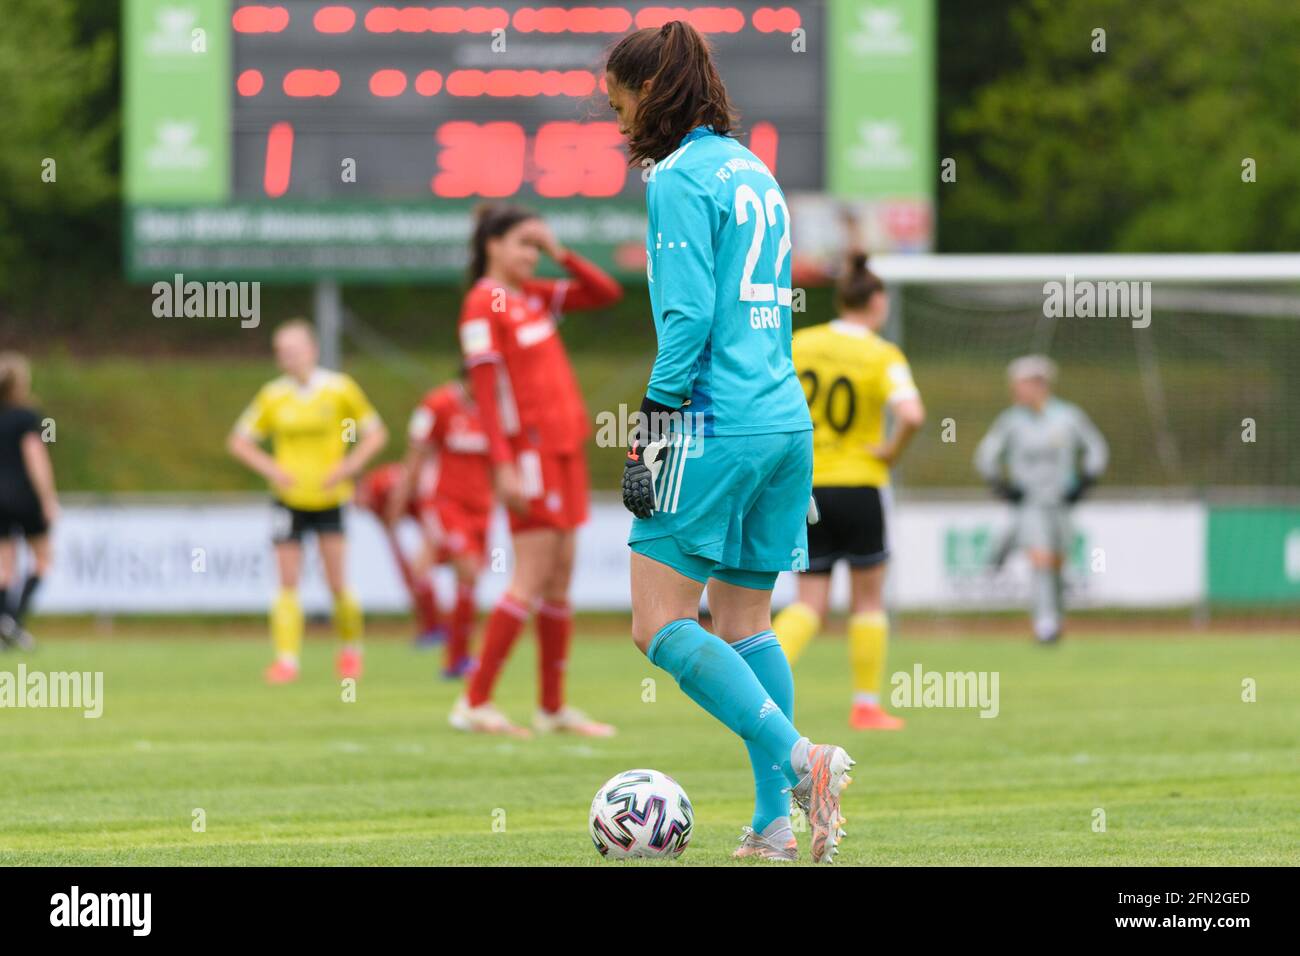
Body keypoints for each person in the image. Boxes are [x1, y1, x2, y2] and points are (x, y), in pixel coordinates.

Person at [607, 20, 854, 864]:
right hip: (783, 418)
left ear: (651, 94)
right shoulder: (754, 171)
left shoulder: (676, 176)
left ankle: (802, 760)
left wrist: (650, 428)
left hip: (709, 418)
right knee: (747, 621)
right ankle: (773, 826)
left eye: (620, 103)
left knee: (657, 624)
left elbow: (687, 317)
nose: (619, 123)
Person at [449, 203, 622, 737]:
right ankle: (474, 701)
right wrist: (503, 464)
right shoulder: (484, 304)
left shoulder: (533, 297)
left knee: (560, 577)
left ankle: (551, 708)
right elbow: (484, 393)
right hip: (530, 455)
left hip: (564, 450)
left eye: (534, 245)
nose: (531, 254)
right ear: (492, 246)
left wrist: (560, 252)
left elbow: (605, 293)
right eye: (523, 243)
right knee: (529, 576)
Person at [772, 253, 925, 731]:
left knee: (807, 604)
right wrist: (890, 451)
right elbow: (913, 414)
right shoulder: (883, 355)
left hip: (808, 486)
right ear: (876, 302)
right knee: (867, 601)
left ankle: (757, 689)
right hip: (860, 484)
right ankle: (865, 706)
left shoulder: (802, 342)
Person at [228, 319, 388, 683]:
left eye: (294, 350)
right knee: (287, 581)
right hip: (288, 499)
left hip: (330, 497)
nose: (288, 358)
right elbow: (239, 441)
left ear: (312, 350)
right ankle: (287, 660)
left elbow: (375, 434)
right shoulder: (273, 396)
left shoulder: (339, 390)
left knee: (336, 583)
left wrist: (348, 467)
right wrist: (272, 469)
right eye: (281, 352)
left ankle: (350, 651)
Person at [974, 355, 1108, 643]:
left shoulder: (1068, 416)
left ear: (1039, 385)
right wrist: (1001, 484)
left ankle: (1054, 617)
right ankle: (1044, 624)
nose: (1015, 391)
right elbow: (986, 455)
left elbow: (1096, 448)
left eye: (1021, 385)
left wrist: (1085, 481)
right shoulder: (1011, 421)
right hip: (1029, 503)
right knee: (1041, 558)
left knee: (1058, 561)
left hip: (1060, 503)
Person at [386, 374, 495, 678]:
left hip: (482, 509)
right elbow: (416, 455)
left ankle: (454, 656)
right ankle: (443, 640)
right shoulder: (437, 405)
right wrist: (399, 500)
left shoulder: (497, 407)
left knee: (470, 580)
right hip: (444, 503)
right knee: (467, 568)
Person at [0, 353, 58, 650]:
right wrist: (47, 498)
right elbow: (36, 458)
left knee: (4, 566)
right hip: (23, 496)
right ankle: (12, 619)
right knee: (43, 559)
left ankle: (5, 622)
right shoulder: (27, 417)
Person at [353, 460, 445, 648]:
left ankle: (439, 628)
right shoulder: (371, 505)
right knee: (413, 576)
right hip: (420, 515)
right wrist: (404, 572)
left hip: (433, 507)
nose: (354, 504)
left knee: (421, 570)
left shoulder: (379, 483)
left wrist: (395, 511)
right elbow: (390, 533)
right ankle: (428, 626)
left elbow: (410, 487)